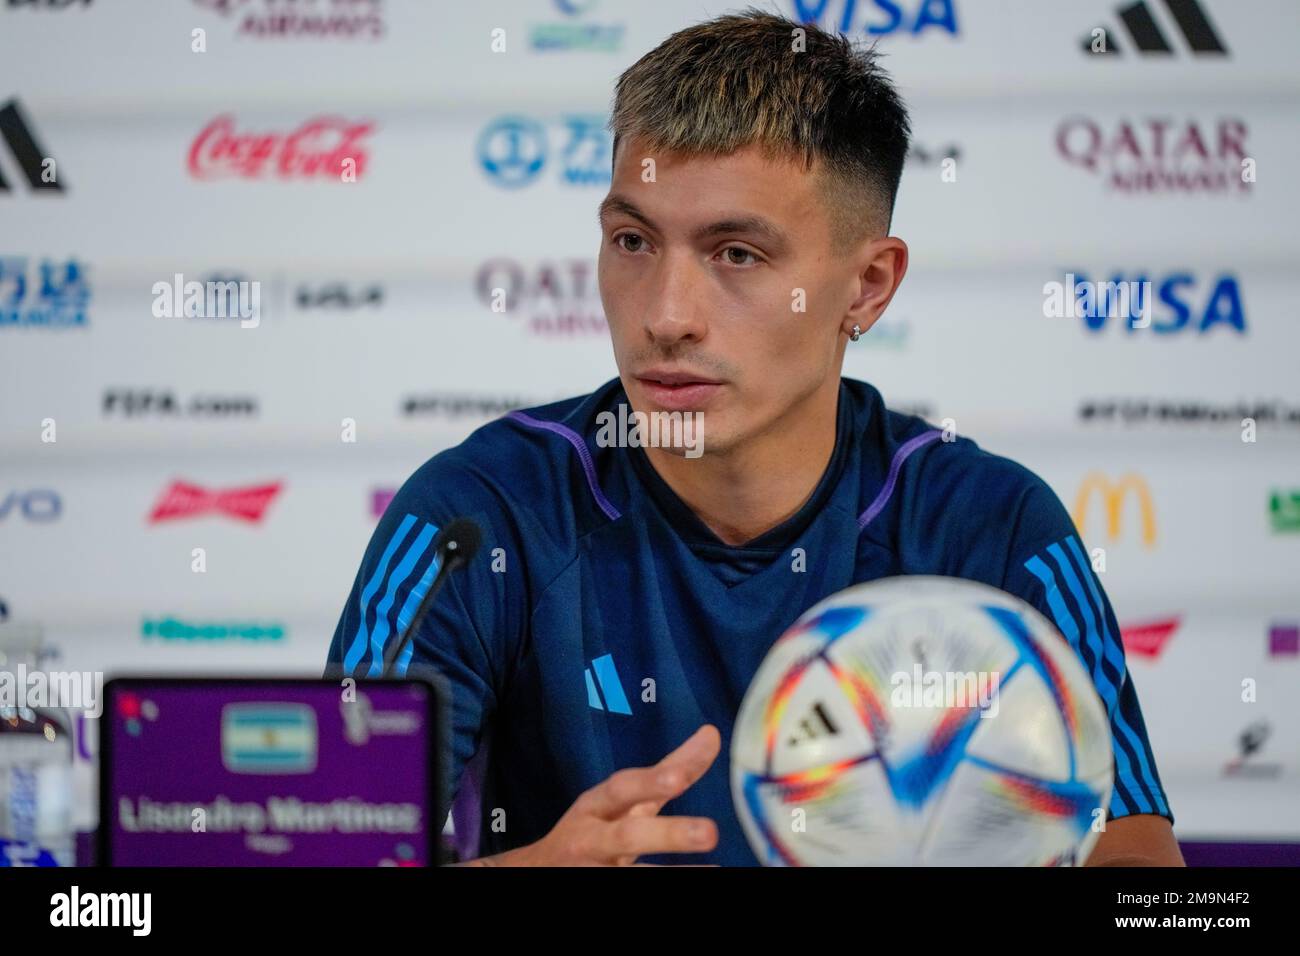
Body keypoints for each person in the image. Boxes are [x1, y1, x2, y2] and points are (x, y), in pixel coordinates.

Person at [325, 8, 1181, 866]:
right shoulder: (478, 517)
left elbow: (1149, 883)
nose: (664, 317)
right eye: (632, 241)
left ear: (868, 287)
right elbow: (320, 850)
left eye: (735, 254)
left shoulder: (991, 530)